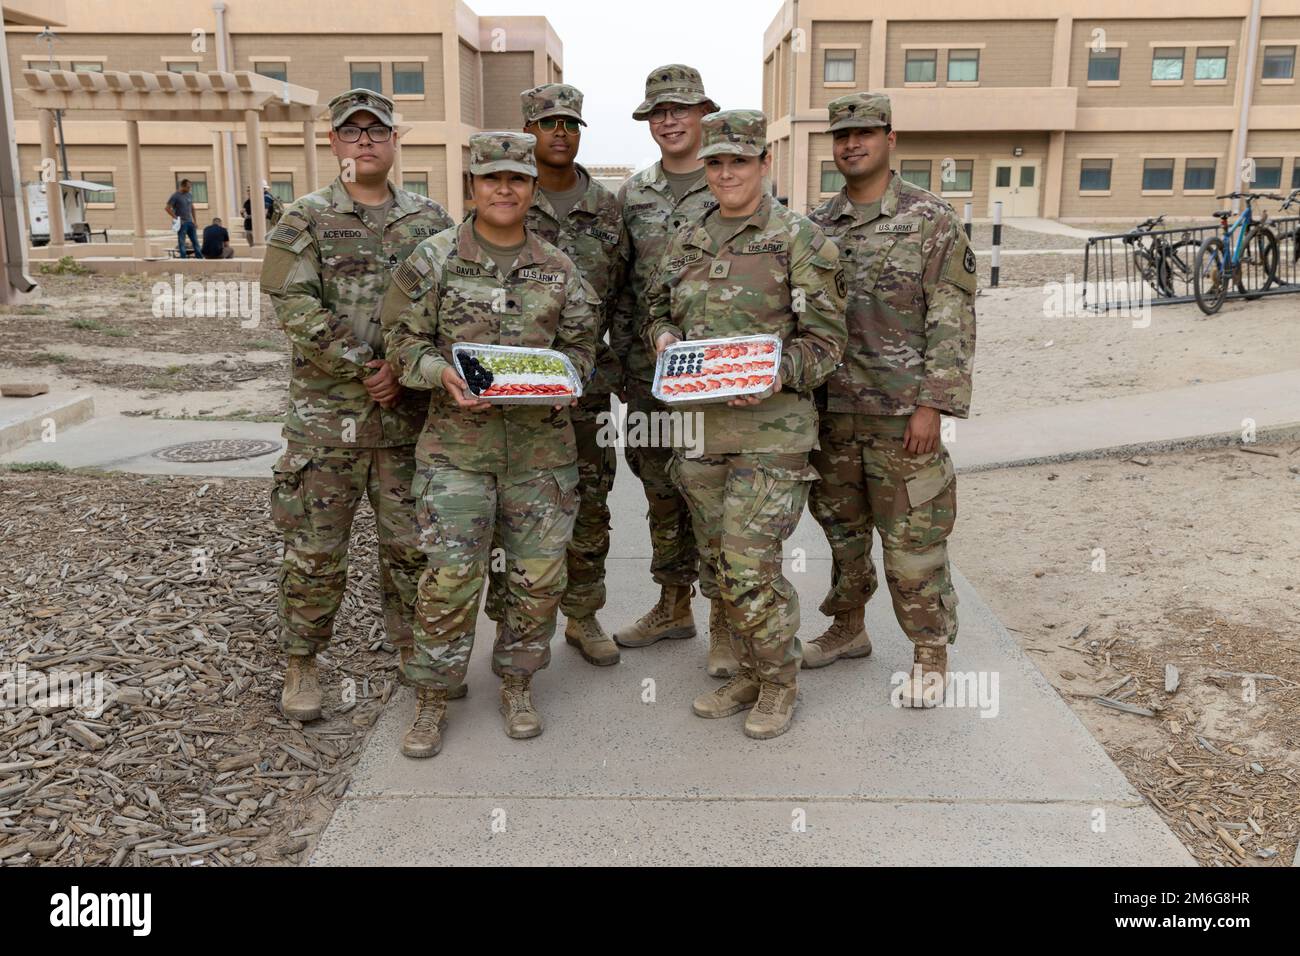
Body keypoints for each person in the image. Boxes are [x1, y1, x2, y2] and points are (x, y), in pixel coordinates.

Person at [380, 131, 598, 757]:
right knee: (448, 580)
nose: (505, 189)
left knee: (536, 579)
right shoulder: (435, 259)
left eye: (517, 179)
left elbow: (583, 346)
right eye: (491, 178)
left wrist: (568, 382)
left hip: (540, 458)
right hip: (457, 454)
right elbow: (402, 341)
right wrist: (437, 374)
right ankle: (431, 697)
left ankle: (517, 681)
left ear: (533, 188)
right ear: (472, 184)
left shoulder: (558, 269)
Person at [646, 109, 847, 739]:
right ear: (704, 167)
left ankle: (780, 683)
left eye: (740, 160)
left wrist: (775, 373)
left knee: (749, 561)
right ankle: (753, 670)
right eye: (716, 162)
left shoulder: (800, 239)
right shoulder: (688, 235)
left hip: (771, 433)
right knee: (716, 560)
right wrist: (663, 336)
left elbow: (827, 343)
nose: (727, 172)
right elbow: (657, 308)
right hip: (701, 431)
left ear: (765, 164)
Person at [260, 88, 454, 729]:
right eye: (352, 130)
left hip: (407, 423)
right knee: (315, 551)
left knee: (411, 549)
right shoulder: (304, 219)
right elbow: (293, 306)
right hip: (327, 424)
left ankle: (411, 651)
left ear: (397, 141)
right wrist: (365, 365)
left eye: (377, 129)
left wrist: (408, 368)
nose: (365, 139)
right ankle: (303, 663)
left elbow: (448, 308)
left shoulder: (431, 221)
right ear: (334, 143)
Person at [806, 92, 977, 707]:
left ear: (889, 139)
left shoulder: (931, 219)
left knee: (913, 545)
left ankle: (930, 654)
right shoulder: (816, 225)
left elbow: (952, 316)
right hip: (832, 415)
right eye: (841, 135)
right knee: (842, 536)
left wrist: (934, 403)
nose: (852, 144)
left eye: (865, 133)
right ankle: (848, 629)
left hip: (903, 416)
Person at [480, 82, 628, 667]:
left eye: (569, 123)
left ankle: (584, 617)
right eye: (547, 123)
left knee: (589, 503)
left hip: (585, 390)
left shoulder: (608, 209)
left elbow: (622, 295)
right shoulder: (507, 197)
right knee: (508, 518)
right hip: (511, 395)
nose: (560, 132)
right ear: (530, 132)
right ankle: (507, 625)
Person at [611, 64, 738, 679]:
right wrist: (629, 357)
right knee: (662, 492)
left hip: (715, 383)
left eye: (680, 110)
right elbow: (624, 290)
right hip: (650, 377)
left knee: (711, 499)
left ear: (703, 115)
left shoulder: (728, 183)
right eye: (658, 112)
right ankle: (672, 604)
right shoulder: (632, 195)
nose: (668, 121)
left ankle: (723, 623)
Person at [165, 178, 201, 258]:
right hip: (182, 223)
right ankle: (183, 259)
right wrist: (176, 218)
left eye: (190, 187)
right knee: (182, 242)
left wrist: (195, 221)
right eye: (188, 187)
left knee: (195, 241)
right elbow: (167, 208)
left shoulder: (189, 195)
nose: (189, 189)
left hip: (190, 222)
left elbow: (192, 207)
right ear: (182, 186)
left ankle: (200, 258)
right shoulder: (175, 196)